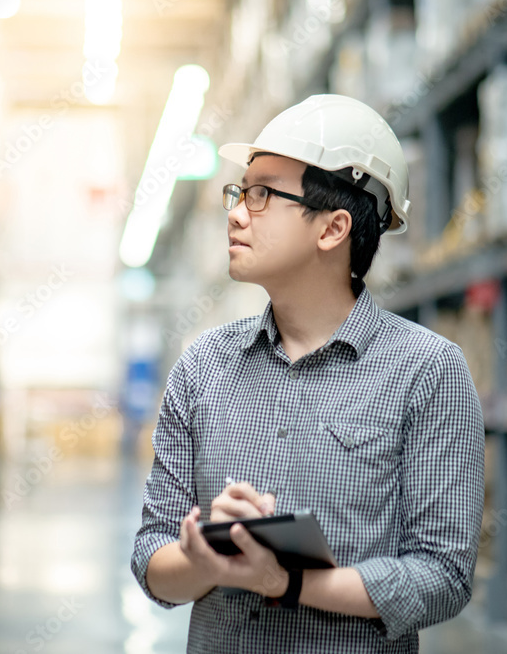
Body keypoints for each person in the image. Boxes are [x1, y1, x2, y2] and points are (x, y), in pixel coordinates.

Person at [130, 94, 485, 653]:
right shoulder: (204, 367)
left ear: (333, 228)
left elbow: (443, 576)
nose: (237, 211)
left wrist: (287, 582)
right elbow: (151, 558)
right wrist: (202, 558)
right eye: (239, 191)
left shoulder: (427, 371)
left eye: (263, 194)